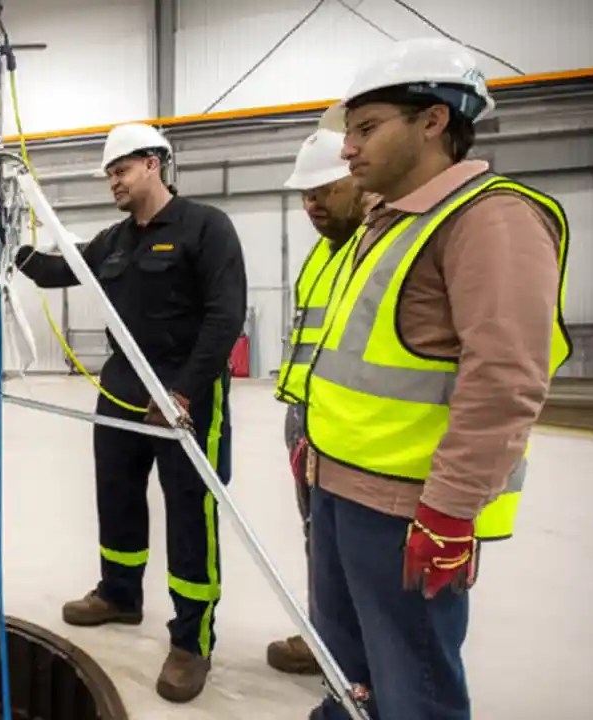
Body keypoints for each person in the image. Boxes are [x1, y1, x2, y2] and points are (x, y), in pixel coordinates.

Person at [303, 37, 571, 719]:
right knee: (347, 664)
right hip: (339, 484)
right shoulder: (387, 223)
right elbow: (356, 353)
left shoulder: (491, 219)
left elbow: (506, 378)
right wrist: (317, 440)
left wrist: (451, 510)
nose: (347, 149)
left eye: (366, 129)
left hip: (407, 508)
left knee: (412, 683)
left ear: (433, 121)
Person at [12, 122, 248, 704]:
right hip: (120, 387)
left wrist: (187, 393)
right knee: (115, 493)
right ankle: (120, 593)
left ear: (152, 163)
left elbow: (225, 316)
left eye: (119, 169)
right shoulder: (114, 240)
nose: (112, 181)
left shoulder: (205, 228)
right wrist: (4, 245)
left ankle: (192, 640)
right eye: (109, 173)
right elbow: (55, 269)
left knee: (190, 513)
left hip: (182, 391)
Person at [266, 125, 371, 675]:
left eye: (324, 190)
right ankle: (327, 636)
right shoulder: (323, 253)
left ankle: (357, 654)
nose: (312, 204)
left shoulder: (371, 248)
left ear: (358, 181)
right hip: (308, 417)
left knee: (355, 548)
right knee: (320, 541)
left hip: (353, 424)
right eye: (305, 194)